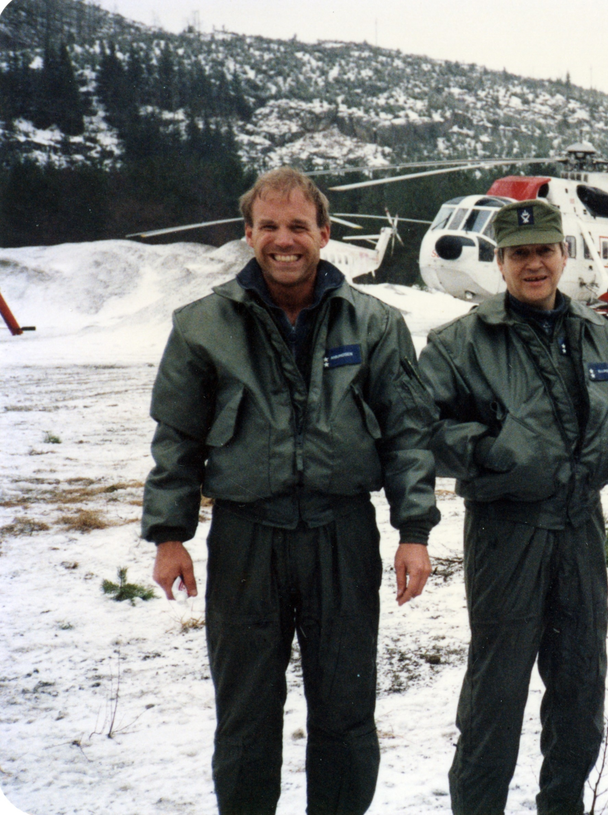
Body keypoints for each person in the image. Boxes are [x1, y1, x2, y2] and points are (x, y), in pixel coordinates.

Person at [142, 167, 440, 815]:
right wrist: (170, 536)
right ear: (249, 234)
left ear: (324, 234)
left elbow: (408, 434)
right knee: (246, 715)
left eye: (298, 226)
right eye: (269, 226)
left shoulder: (375, 324)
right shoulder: (203, 325)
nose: (284, 240)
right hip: (248, 536)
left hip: (343, 533)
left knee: (346, 712)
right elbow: (177, 439)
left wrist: (413, 531)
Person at [418, 198, 608, 815]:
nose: (534, 264)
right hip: (507, 533)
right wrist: (496, 452)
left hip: (579, 528)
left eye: (544, 250)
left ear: (563, 255)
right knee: (496, 699)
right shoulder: (460, 342)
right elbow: (423, 430)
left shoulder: (594, 333)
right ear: (501, 262)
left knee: (579, 692)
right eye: (519, 254)